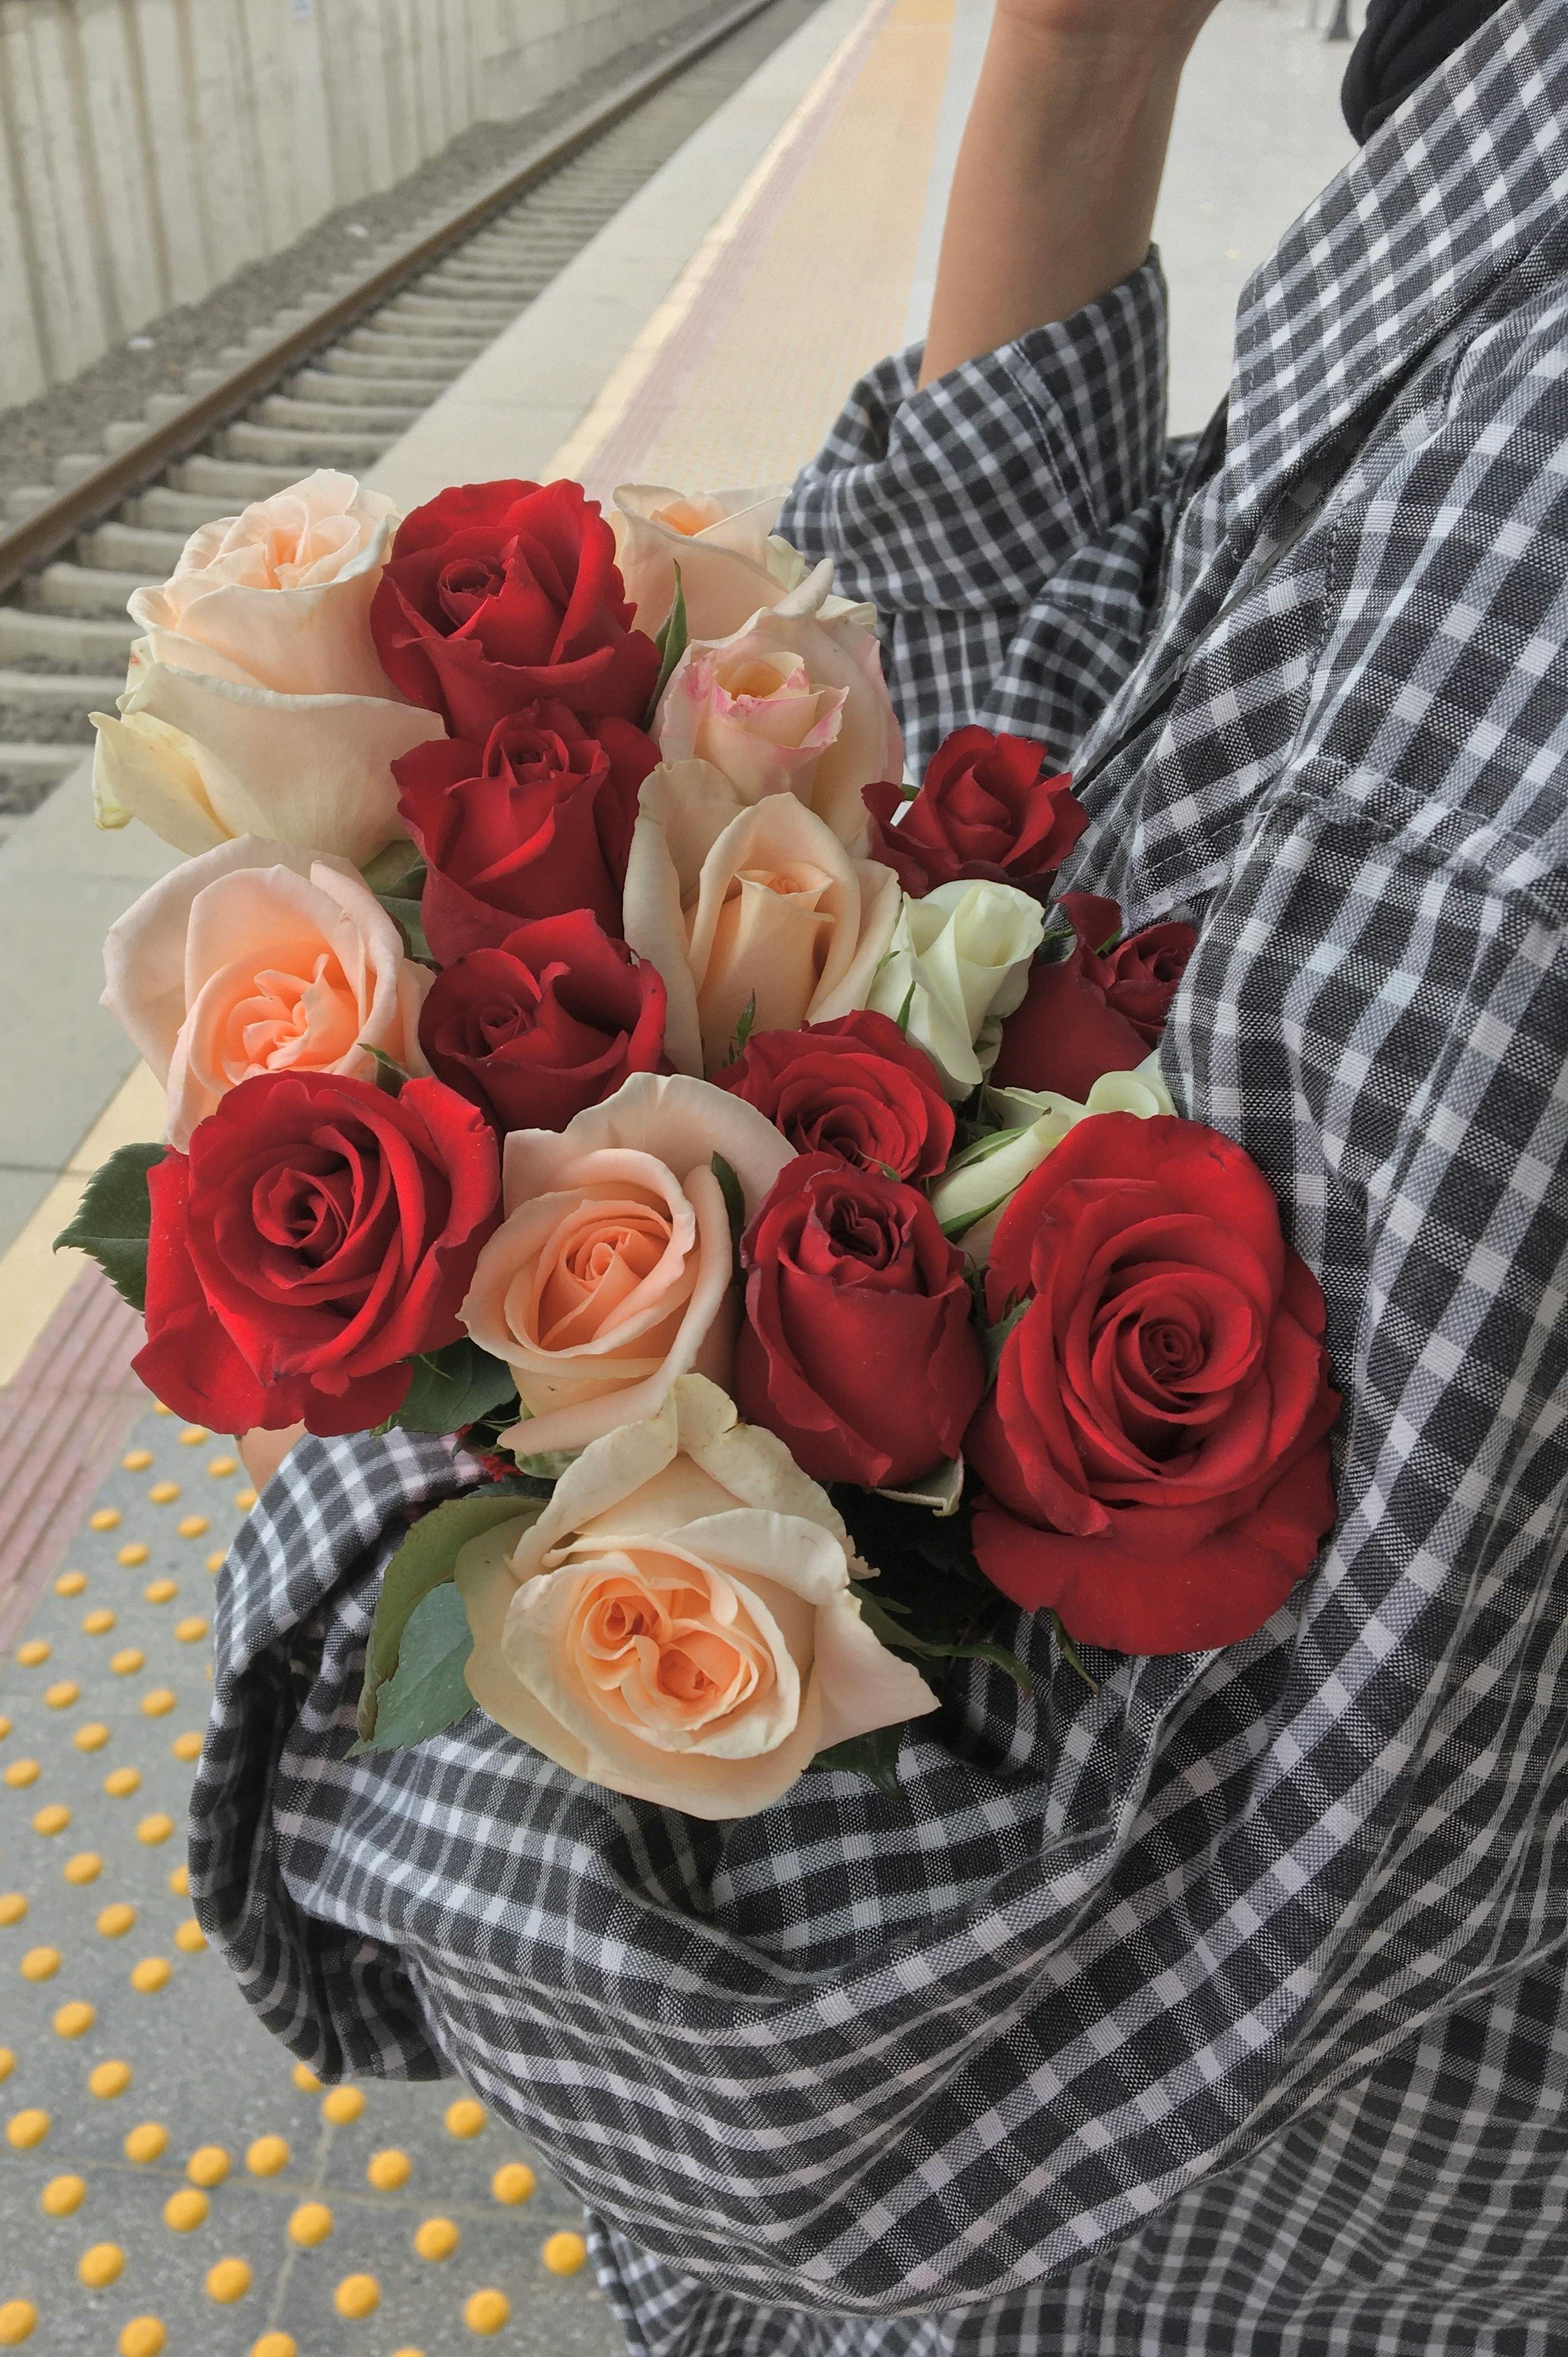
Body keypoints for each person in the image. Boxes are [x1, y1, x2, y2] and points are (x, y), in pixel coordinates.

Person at [199, 1, 1568, 2348]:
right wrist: (1077, 72)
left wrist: (427, 1388)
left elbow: (825, 2020)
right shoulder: (1472, 201)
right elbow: (1040, 781)